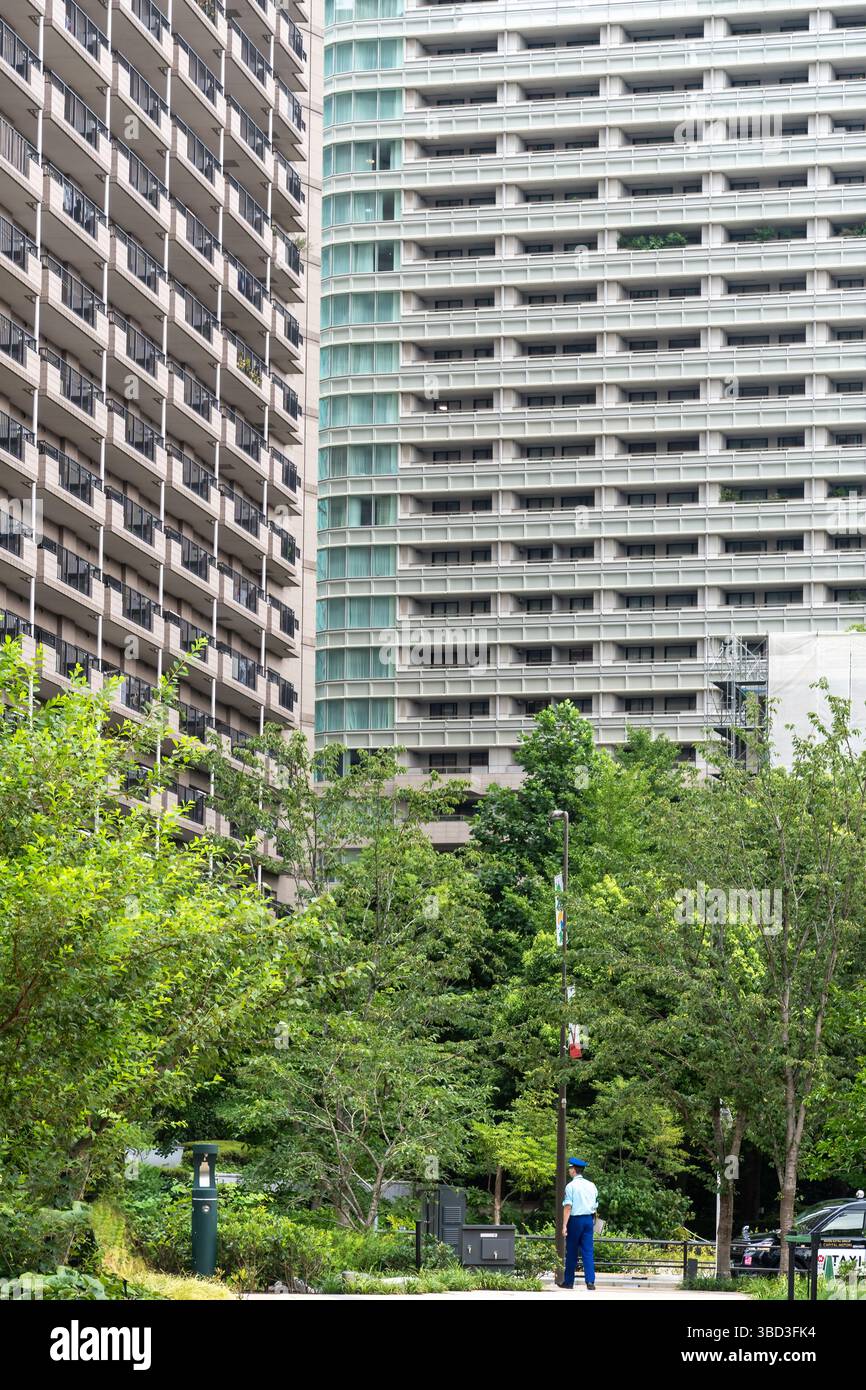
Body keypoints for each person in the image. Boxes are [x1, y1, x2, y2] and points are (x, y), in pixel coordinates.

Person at [559, 1157, 598, 1290]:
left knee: (571, 1251)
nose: (569, 1170)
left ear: (574, 1170)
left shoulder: (570, 1186)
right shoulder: (591, 1185)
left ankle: (569, 1282)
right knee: (588, 1251)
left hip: (575, 1220)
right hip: (589, 1219)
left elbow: (568, 1207)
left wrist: (564, 1225)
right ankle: (590, 1282)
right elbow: (595, 1204)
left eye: (570, 1168)